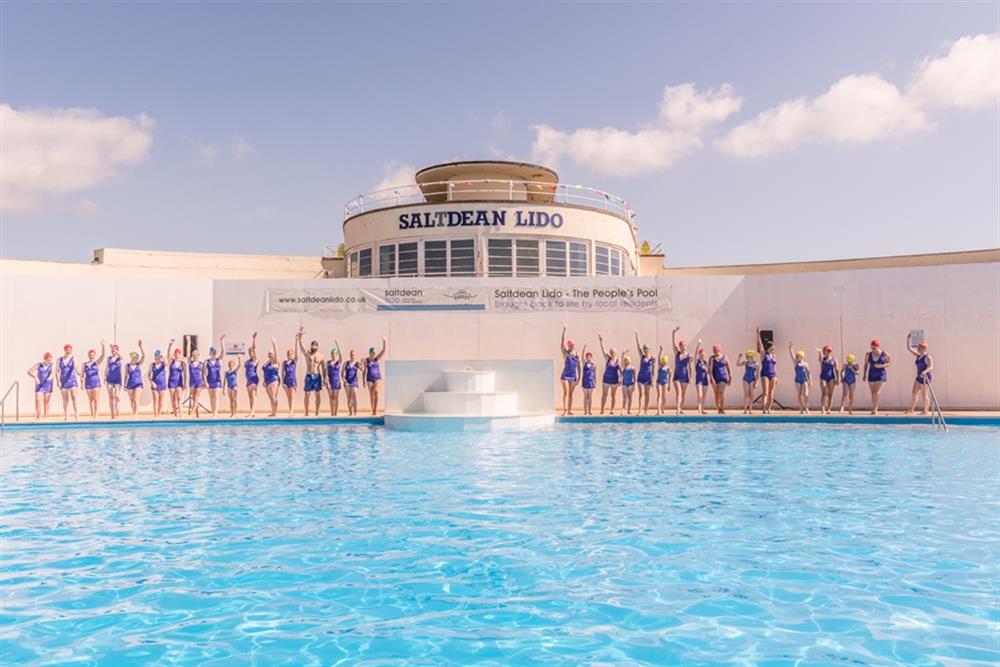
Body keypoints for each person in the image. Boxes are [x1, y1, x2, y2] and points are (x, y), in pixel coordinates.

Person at [905, 335, 935, 415]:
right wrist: (908, 339)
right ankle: (911, 409)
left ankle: (925, 411)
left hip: (925, 378)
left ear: (924, 348)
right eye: (918, 347)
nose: (918, 349)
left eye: (920, 348)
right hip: (918, 377)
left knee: (924, 395)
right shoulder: (918, 356)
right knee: (914, 393)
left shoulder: (927, 357)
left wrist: (925, 371)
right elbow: (909, 349)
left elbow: (931, 367)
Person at [298, 331, 325, 417]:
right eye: (312, 345)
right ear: (311, 346)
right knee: (307, 394)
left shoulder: (321, 356)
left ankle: (317, 412)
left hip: (317, 376)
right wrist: (300, 337)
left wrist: (325, 378)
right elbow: (301, 346)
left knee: (317, 394)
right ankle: (306, 412)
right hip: (309, 376)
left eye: (315, 345)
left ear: (317, 346)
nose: (314, 347)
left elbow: (324, 368)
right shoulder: (307, 354)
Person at [864, 339, 891, 415]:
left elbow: (889, 363)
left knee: (876, 392)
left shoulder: (884, 353)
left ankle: (876, 409)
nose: (873, 350)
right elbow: (865, 364)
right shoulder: (868, 354)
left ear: (878, 347)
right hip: (871, 375)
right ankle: (874, 407)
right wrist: (864, 374)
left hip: (881, 375)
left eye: (874, 348)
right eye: (872, 348)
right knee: (872, 393)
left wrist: (882, 365)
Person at [81, 342, 106, 418]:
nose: (91, 356)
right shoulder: (84, 364)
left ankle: (96, 415)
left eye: (93, 355)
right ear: (88, 355)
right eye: (90, 355)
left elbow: (103, 356)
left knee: (96, 399)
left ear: (94, 356)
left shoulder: (96, 363)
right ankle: (92, 415)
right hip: (88, 383)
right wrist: (81, 383)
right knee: (91, 400)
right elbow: (82, 374)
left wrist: (103, 346)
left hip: (96, 383)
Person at [559, 324, 580, 416]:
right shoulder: (565, 353)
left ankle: (569, 410)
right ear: (568, 346)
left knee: (571, 393)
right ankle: (565, 409)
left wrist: (579, 376)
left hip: (573, 376)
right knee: (566, 392)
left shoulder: (576, 354)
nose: (573, 346)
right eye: (571, 345)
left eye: (573, 345)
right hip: (565, 376)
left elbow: (579, 366)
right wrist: (564, 330)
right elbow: (562, 343)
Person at [756, 328, 778, 414]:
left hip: (773, 375)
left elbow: (774, 366)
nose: (773, 349)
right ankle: (764, 409)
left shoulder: (774, 355)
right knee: (765, 392)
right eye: (772, 348)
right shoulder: (763, 354)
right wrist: (758, 334)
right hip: (765, 374)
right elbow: (760, 344)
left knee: (771, 393)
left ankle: (769, 408)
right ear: (769, 347)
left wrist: (776, 376)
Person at [27, 352, 54, 420]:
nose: (49, 361)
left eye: (50, 359)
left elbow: (53, 373)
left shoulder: (52, 365)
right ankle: (38, 416)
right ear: (45, 359)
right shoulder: (39, 365)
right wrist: (35, 377)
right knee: (38, 400)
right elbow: (29, 371)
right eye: (48, 359)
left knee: (46, 401)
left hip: (48, 384)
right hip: (39, 385)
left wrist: (49, 378)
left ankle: (45, 417)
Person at [364, 336, 387, 416]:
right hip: (369, 379)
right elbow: (364, 370)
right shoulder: (366, 360)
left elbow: (383, 351)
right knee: (371, 395)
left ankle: (375, 410)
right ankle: (373, 410)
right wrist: (364, 381)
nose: (372, 354)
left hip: (377, 378)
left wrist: (384, 341)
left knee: (376, 392)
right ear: (369, 353)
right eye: (371, 353)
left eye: (373, 353)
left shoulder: (376, 359)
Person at [671, 327, 692, 415]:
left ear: (685, 346)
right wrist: (673, 333)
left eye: (684, 346)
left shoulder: (689, 356)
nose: (682, 347)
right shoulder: (677, 353)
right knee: (679, 392)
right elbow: (673, 342)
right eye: (681, 346)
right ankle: (678, 409)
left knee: (683, 394)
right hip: (677, 376)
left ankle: (681, 408)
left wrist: (690, 377)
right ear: (679, 347)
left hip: (685, 376)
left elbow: (690, 367)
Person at [634, 331, 656, 415]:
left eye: (647, 349)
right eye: (645, 349)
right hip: (641, 377)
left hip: (648, 378)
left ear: (649, 350)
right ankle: (640, 410)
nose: (646, 350)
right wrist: (637, 335)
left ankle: (646, 410)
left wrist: (653, 381)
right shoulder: (642, 356)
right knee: (641, 394)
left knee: (647, 394)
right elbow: (638, 346)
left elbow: (653, 371)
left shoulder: (652, 359)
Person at [598, 334, 620, 415]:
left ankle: (612, 409)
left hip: (614, 379)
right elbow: (603, 350)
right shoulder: (607, 358)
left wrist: (621, 380)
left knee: (613, 395)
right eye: (611, 352)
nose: (612, 353)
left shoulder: (618, 361)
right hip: (606, 379)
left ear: (616, 353)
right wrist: (601, 341)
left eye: (613, 352)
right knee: (604, 394)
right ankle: (602, 409)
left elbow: (621, 371)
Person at [57, 344, 80, 420]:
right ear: (65, 349)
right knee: (65, 400)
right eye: (67, 349)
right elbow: (57, 371)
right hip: (63, 381)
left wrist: (79, 373)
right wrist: (58, 381)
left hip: (72, 380)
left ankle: (77, 415)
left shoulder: (73, 358)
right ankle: (67, 416)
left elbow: (76, 367)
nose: (69, 350)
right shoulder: (59, 360)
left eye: (70, 349)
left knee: (74, 398)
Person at [205, 335, 226, 417]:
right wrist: (205, 382)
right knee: (211, 397)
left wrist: (221, 341)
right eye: (212, 351)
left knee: (216, 397)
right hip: (209, 381)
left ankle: (215, 413)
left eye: (214, 351)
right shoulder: (206, 361)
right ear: (210, 352)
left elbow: (223, 351)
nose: (213, 353)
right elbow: (204, 373)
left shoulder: (219, 360)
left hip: (217, 381)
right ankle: (212, 412)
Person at [282, 330, 301, 417]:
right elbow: (282, 373)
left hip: (293, 381)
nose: (289, 355)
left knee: (292, 397)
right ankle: (291, 411)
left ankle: (291, 412)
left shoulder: (294, 361)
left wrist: (296, 341)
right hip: (286, 381)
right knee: (288, 398)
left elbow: (297, 353)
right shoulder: (284, 363)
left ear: (292, 354)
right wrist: (283, 383)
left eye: (290, 353)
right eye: (288, 353)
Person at [816, 345, 839, 414]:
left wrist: (837, 379)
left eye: (824, 351)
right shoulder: (823, 359)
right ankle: (823, 408)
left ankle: (829, 409)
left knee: (830, 394)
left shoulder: (834, 359)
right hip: (823, 377)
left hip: (831, 377)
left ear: (828, 351)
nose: (823, 352)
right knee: (824, 392)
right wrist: (819, 353)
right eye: (823, 351)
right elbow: (819, 359)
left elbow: (837, 369)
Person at [708, 344, 731, 414]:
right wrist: (712, 378)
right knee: (716, 394)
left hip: (723, 377)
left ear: (719, 350)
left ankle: (722, 408)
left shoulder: (725, 357)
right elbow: (710, 370)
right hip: (715, 378)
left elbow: (729, 368)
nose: (715, 351)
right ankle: (719, 408)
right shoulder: (711, 358)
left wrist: (730, 377)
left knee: (721, 393)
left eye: (716, 350)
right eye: (714, 350)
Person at [124, 342, 146, 416]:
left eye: (136, 357)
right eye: (134, 357)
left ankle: (136, 414)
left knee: (136, 399)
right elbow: (125, 376)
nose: (135, 359)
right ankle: (133, 413)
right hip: (130, 384)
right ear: (131, 357)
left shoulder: (138, 364)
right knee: (132, 400)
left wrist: (141, 347)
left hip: (138, 384)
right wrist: (125, 385)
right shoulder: (127, 365)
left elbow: (144, 356)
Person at [166, 340, 186, 417]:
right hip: (171, 382)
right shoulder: (171, 362)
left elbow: (185, 374)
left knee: (179, 398)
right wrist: (170, 345)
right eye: (176, 353)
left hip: (179, 382)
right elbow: (168, 355)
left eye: (178, 353)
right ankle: (175, 414)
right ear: (174, 354)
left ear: (180, 354)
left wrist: (185, 383)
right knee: (173, 399)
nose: (177, 355)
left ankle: (181, 413)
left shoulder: (182, 363)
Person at [789, 343, 811, 414]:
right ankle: (801, 409)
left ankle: (807, 409)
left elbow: (808, 373)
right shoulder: (796, 363)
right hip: (797, 381)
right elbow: (792, 356)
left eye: (798, 356)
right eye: (797, 356)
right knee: (799, 395)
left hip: (804, 380)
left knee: (806, 395)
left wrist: (810, 381)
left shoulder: (806, 364)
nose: (797, 357)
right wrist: (790, 348)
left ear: (802, 356)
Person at [262, 338, 281, 417]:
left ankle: (274, 413)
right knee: (271, 398)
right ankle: (272, 412)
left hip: (274, 380)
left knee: (273, 397)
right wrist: (264, 380)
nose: (270, 355)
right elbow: (264, 371)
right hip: (267, 381)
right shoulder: (267, 362)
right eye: (269, 353)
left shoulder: (275, 361)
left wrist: (274, 343)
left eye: (271, 353)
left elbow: (276, 353)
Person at [736, 350, 758, 414]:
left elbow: (757, 374)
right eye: (747, 357)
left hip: (752, 379)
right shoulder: (745, 362)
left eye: (750, 357)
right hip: (745, 379)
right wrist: (739, 358)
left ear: (752, 357)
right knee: (746, 394)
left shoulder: (756, 364)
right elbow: (737, 364)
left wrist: (756, 382)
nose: (748, 358)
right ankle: (745, 409)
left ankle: (750, 410)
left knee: (751, 395)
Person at [105, 344, 123, 419]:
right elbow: (107, 367)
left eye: (115, 350)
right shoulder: (108, 358)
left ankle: (117, 414)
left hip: (117, 379)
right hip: (110, 378)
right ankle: (112, 415)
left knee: (116, 397)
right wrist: (105, 377)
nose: (113, 351)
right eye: (112, 350)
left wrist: (115, 349)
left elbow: (121, 356)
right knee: (111, 397)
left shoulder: (119, 358)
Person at [245, 333, 260, 418]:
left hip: (254, 379)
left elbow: (254, 348)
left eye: (252, 352)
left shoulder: (255, 359)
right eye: (249, 352)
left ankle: (252, 411)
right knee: (250, 397)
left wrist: (253, 339)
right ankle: (252, 412)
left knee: (253, 396)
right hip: (248, 380)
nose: (251, 353)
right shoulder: (248, 361)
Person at [149, 349, 167, 417]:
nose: (157, 359)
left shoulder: (163, 364)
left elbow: (167, 363)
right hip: (155, 384)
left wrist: (163, 357)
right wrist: (151, 382)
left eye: (159, 358)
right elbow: (148, 375)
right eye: (156, 358)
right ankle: (155, 414)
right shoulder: (152, 365)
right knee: (155, 400)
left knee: (161, 400)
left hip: (162, 384)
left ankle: (159, 414)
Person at [187, 348, 205, 418]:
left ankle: (191, 413)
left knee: (196, 397)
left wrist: (205, 382)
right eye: (193, 355)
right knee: (193, 398)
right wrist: (188, 342)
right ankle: (197, 414)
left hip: (199, 382)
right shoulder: (190, 363)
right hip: (192, 382)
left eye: (196, 355)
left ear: (198, 355)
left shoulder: (201, 364)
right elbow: (188, 354)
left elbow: (203, 374)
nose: (195, 356)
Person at [326, 343, 343, 416]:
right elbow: (326, 373)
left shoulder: (338, 362)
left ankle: (335, 412)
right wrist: (327, 382)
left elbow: (341, 356)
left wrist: (337, 345)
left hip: (336, 381)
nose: (333, 355)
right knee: (331, 398)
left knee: (336, 398)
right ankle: (332, 412)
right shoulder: (328, 362)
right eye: (332, 354)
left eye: (334, 354)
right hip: (330, 381)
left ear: (336, 355)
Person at [343, 349, 361, 416]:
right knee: (349, 397)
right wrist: (344, 380)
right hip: (347, 382)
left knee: (355, 396)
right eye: (351, 355)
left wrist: (361, 365)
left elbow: (362, 369)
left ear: (355, 356)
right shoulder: (346, 363)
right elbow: (342, 374)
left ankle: (355, 413)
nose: (352, 356)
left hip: (354, 381)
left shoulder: (357, 363)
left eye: (353, 355)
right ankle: (350, 412)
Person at [694, 342, 709, 415]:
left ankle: (702, 409)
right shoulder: (697, 362)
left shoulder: (706, 362)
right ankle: (699, 410)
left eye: (703, 355)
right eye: (701, 355)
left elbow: (709, 371)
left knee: (704, 396)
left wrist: (707, 369)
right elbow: (695, 354)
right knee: (700, 395)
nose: (702, 356)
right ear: (699, 355)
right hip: (699, 380)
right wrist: (698, 344)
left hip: (705, 380)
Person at [581, 346, 596, 416]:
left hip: (591, 382)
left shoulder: (594, 365)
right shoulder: (584, 363)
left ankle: (589, 411)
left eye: (590, 356)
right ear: (586, 357)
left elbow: (594, 374)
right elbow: (581, 357)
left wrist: (595, 382)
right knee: (585, 397)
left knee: (590, 397)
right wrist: (584, 348)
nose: (588, 357)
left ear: (591, 357)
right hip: (585, 381)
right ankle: (585, 411)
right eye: (587, 356)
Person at [655, 349, 671, 415]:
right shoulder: (659, 365)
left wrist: (669, 385)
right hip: (659, 382)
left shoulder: (668, 368)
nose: (663, 363)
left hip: (665, 382)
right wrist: (660, 351)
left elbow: (670, 377)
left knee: (664, 396)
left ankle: (663, 408)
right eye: (662, 362)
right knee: (659, 395)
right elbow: (658, 357)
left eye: (664, 362)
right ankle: (658, 410)